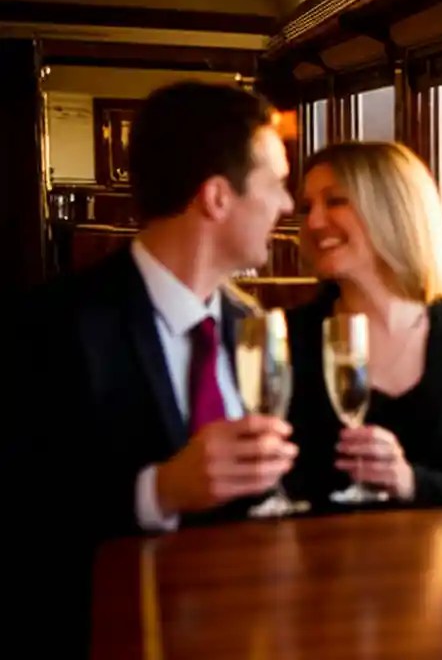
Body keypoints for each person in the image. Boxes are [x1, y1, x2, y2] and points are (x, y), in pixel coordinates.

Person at [4, 81, 298, 652]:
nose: (288, 206)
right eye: (278, 185)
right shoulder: (50, 327)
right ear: (216, 197)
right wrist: (156, 491)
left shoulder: (251, 327)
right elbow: (20, 509)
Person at [285, 141, 442, 511]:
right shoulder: (291, 338)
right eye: (307, 207)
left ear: (392, 212)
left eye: (335, 201)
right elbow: (281, 490)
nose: (313, 222)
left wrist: (412, 483)